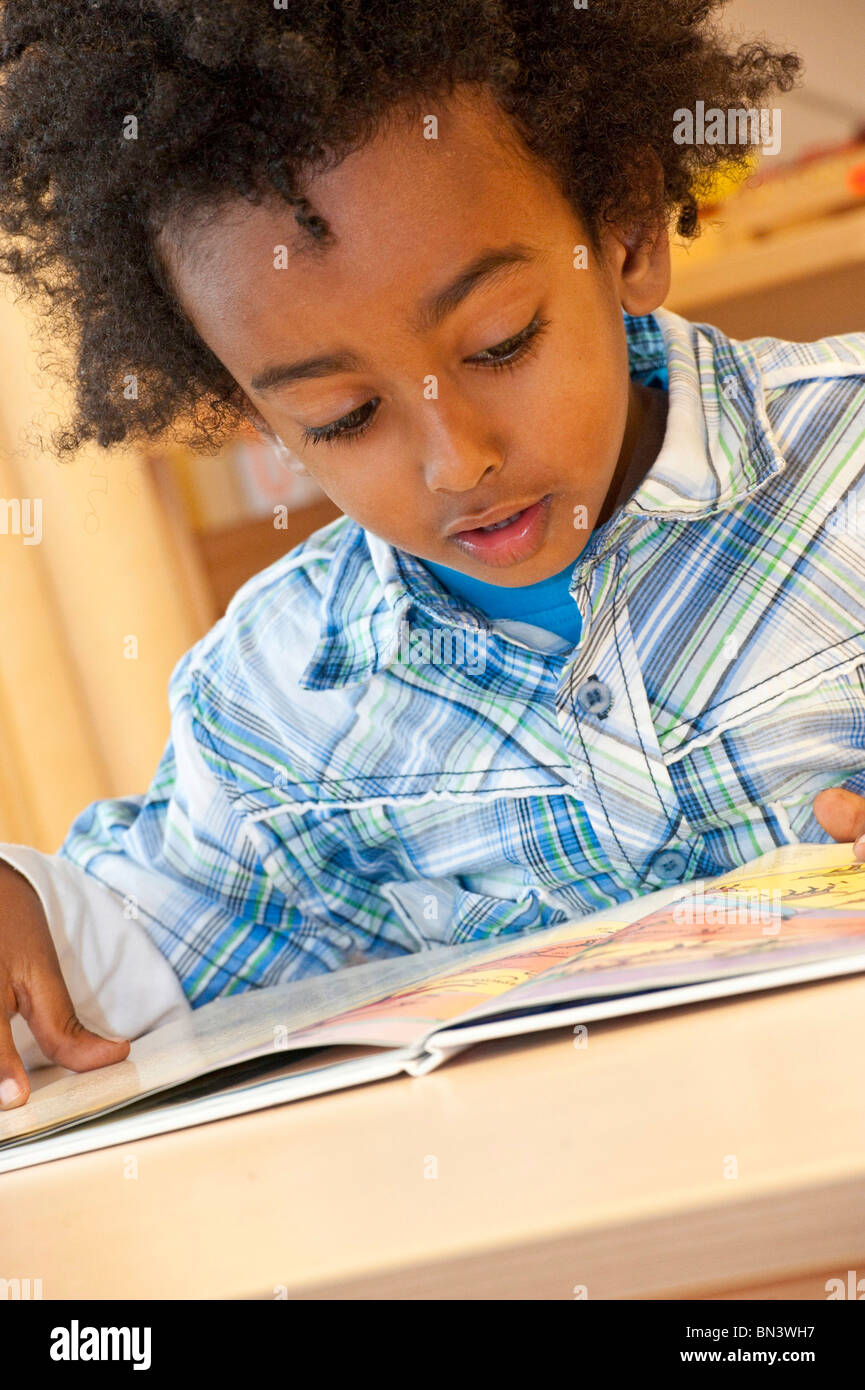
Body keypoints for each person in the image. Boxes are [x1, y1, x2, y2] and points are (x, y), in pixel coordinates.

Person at [1, 0, 864, 1109]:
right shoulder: (277, 705)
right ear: (253, 416)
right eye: (346, 416)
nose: (456, 461)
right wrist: (28, 911)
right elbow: (133, 971)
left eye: (502, 344)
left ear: (630, 232)